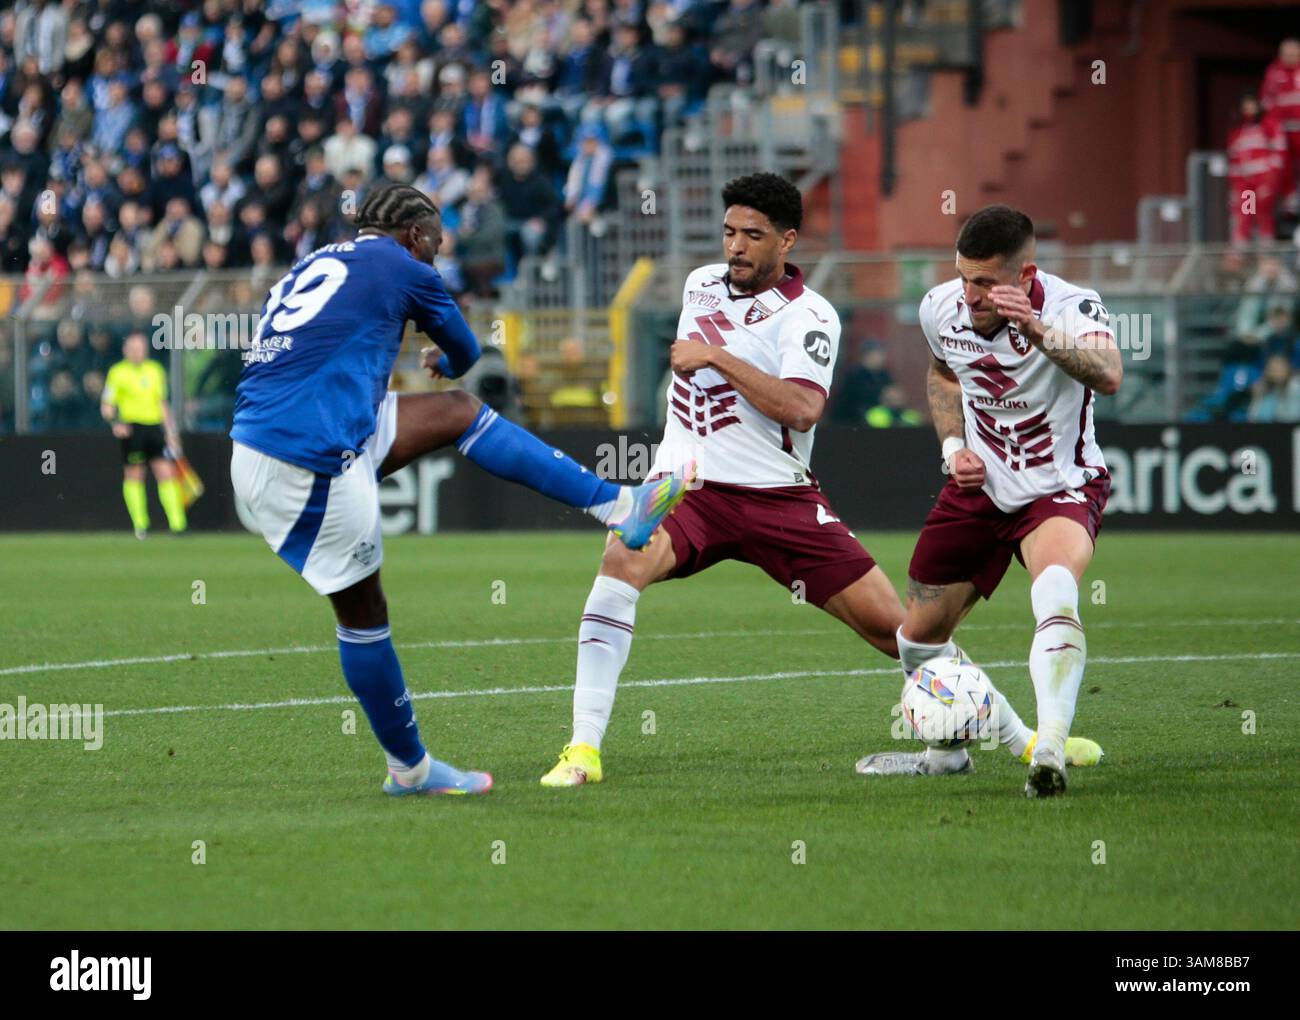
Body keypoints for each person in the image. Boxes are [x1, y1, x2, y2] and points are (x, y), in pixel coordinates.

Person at [538, 177, 1101, 788]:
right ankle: (583, 750)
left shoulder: (812, 316)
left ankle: (1028, 742)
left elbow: (803, 409)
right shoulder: (698, 284)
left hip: (780, 500)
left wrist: (718, 358)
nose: (735, 248)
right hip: (689, 489)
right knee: (621, 559)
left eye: (752, 236)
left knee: (903, 635)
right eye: (729, 233)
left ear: (787, 240)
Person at [229, 183, 691, 798]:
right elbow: (467, 349)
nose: (436, 257)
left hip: (284, 432)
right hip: (305, 460)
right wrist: (444, 358)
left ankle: (620, 506)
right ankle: (410, 769)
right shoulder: (402, 263)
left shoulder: (317, 261)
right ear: (416, 235)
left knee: (455, 412)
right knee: (364, 614)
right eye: (437, 244)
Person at [856, 205, 1121, 797]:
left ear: (1024, 277)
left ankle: (1048, 748)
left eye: (984, 283)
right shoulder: (939, 307)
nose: (969, 295)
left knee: (1054, 588)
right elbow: (943, 374)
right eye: (962, 277)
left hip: (1058, 486)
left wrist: (1035, 330)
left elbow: (1108, 373)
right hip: (978, 489)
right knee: (916, 638)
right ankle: (950, 755)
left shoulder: (1072, 306)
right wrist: (953, 447)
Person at [101, 332, 187, 538]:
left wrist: (171, 432)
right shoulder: (117, 372)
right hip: (133, 429)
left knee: (166, 472)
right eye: (133, 349)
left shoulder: (155, 370)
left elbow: (162, 403)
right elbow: (107, 405)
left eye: (140, 349)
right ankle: (141, 525)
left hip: (155, 428)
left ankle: (178, 525)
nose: (137, 353)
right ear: (125, 351)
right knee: (134, 474)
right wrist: (115, 423)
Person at [1226, 93, 1286, 244]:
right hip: (1246, 183)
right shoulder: (1238, 131)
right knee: (1245, 213)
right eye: (1246, 106)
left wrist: (1270, 179)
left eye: (1252, 105)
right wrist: (1236, 183)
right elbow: (1234, 160)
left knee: (1263, 213)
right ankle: (1241, 249)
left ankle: (1266, 252)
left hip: (1264, 180)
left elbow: (1279, 152)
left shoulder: (1268, 125)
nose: (1249, 110)